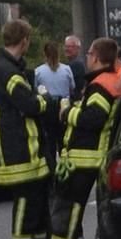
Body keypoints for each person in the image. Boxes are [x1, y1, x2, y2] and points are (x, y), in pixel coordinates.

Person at [23, 37, 121, 239]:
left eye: (90, 53)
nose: (87, 57)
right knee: (73, 216)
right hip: (90, 158)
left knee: (64, 211)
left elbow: (94, 118)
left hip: (85, 158)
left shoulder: (101, 85)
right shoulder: (111, 82)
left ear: (98, 58)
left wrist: (68, 112)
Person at [0, 18, 58, 239]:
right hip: (19, 151)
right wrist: (48, 103)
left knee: (37, 208)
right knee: (26, 209)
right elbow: (28, 104)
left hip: (27, 150)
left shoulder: (7, 67)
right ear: (25, 40)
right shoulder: (7, 72)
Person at [34, 41, 74, 174]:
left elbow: (36, 89)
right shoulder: (67, 69)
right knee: (64, 141)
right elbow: (72, 87)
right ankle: (66, 170)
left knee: (50, 142)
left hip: (48, 107)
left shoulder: (38, 71)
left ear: (44, 54)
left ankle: (52, 172)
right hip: (64, 106)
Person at [63, 35, 87, 100]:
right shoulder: (68, 64)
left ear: (77, 48)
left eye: (69, 47)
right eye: (65, 46)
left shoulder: (77, 64)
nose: (66, 49)